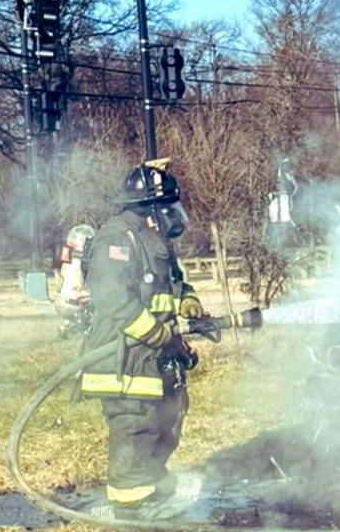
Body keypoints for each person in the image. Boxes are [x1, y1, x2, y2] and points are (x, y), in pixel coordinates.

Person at [79, 159, 206, 518]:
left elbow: (174, 283)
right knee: (136, 427)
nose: (175, 215)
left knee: (165, 421)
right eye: (168, 207)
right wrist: (157, 333)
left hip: (156, 355)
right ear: (150, 208)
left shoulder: (155, 239)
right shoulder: (117, 237)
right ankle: (129, 506)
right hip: (125, 357)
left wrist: (189, 302)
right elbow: (111, 297)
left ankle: (152, 487)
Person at [54, 223, 95, 337]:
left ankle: (67, 325)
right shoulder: (78, 261)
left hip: (60, 302)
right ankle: (84, 328)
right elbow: (79, 276)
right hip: (74, 304)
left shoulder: (67, 255)